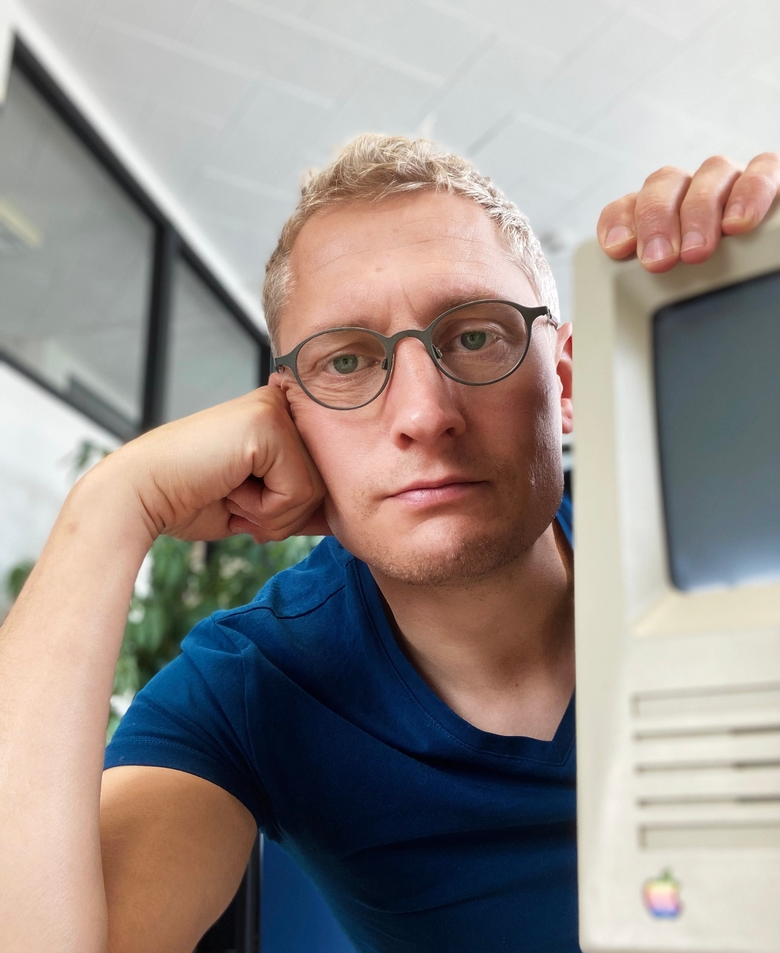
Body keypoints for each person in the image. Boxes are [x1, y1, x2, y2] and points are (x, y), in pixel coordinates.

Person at [1, 137, 778, 953]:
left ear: (568, 381)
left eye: (477, 336)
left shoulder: (719, 546)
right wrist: (110, 504)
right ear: (289, 420)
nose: (423, 412)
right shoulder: (246, 686)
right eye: (346, 360)